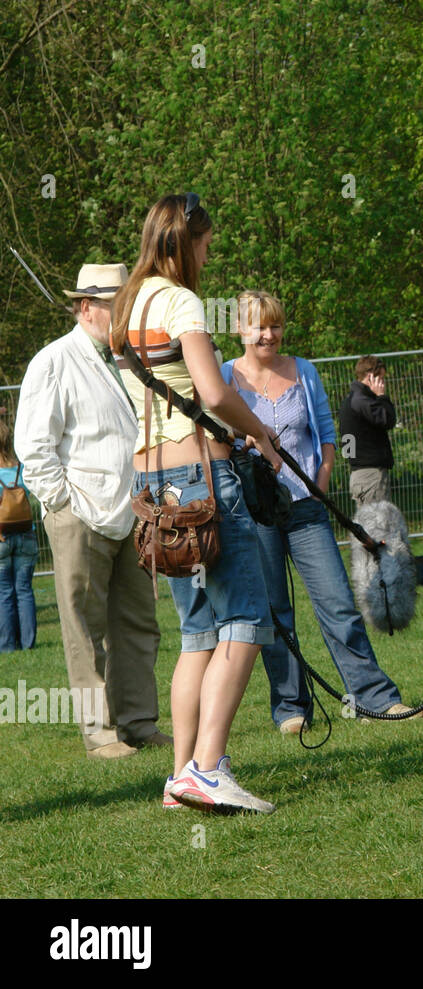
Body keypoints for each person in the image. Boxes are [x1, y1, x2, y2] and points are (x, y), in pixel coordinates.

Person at [111, 193, 283, 813]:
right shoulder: (180, 301)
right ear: (186, 241)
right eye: (207, 244)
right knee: (245, 620)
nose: (210, 254)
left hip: (152, 483)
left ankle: (180, 775)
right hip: (202, 477)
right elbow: (212, 390)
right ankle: (207, 771)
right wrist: (259, 431)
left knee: (196, 634)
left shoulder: (127, 306)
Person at [222, 290, 420, 733]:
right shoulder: (223, 377)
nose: (268, 335)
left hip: (306, 508)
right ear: (239, 329)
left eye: (275, 325)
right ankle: (292, 707)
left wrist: (323, 478)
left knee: (337, 603)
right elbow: (219, 440)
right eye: (258, 326)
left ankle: (375, 698)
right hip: (256, 512)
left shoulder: (304, 371)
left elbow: (326, 433)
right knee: (275, 612)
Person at [15, 262, 164, 758]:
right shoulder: (53, 361)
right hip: (80, 512)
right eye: (114, 304)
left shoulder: (129, 360)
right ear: (86, 308)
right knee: (84, 626)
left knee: (140, 621)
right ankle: (99, 731)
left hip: (134, 512)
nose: (123, 313)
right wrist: (62, 504)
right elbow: (34, 446)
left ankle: (139, 723)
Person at [338, 355, 396, 508]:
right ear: (371, 377)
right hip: (371, 475)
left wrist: (355, 460)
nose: (383, 383)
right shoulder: (363, 401)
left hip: (359, 473)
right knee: (378, 526)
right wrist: (382, 396)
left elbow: (346, 446)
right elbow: (389, 420)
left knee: (368, 525)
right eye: (381, 378)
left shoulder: (350, 401)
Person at [0, 419, 38, 652]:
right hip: (26, 535)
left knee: (4, 592)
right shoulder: (22, 469)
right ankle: (28, 643)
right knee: (24, 589)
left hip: (1, 539)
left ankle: (6, 645)